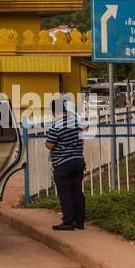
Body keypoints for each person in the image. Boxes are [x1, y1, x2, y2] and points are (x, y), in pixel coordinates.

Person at [45, 98, 86, 230]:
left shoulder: (56, 126)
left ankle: (68, 221)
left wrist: (47, 143)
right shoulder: (76, 123)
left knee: (66, 193)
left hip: (63, 163)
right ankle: (80, 221)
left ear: (53, 111)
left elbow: (50, 144)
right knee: (77, 192)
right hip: (78, 160)